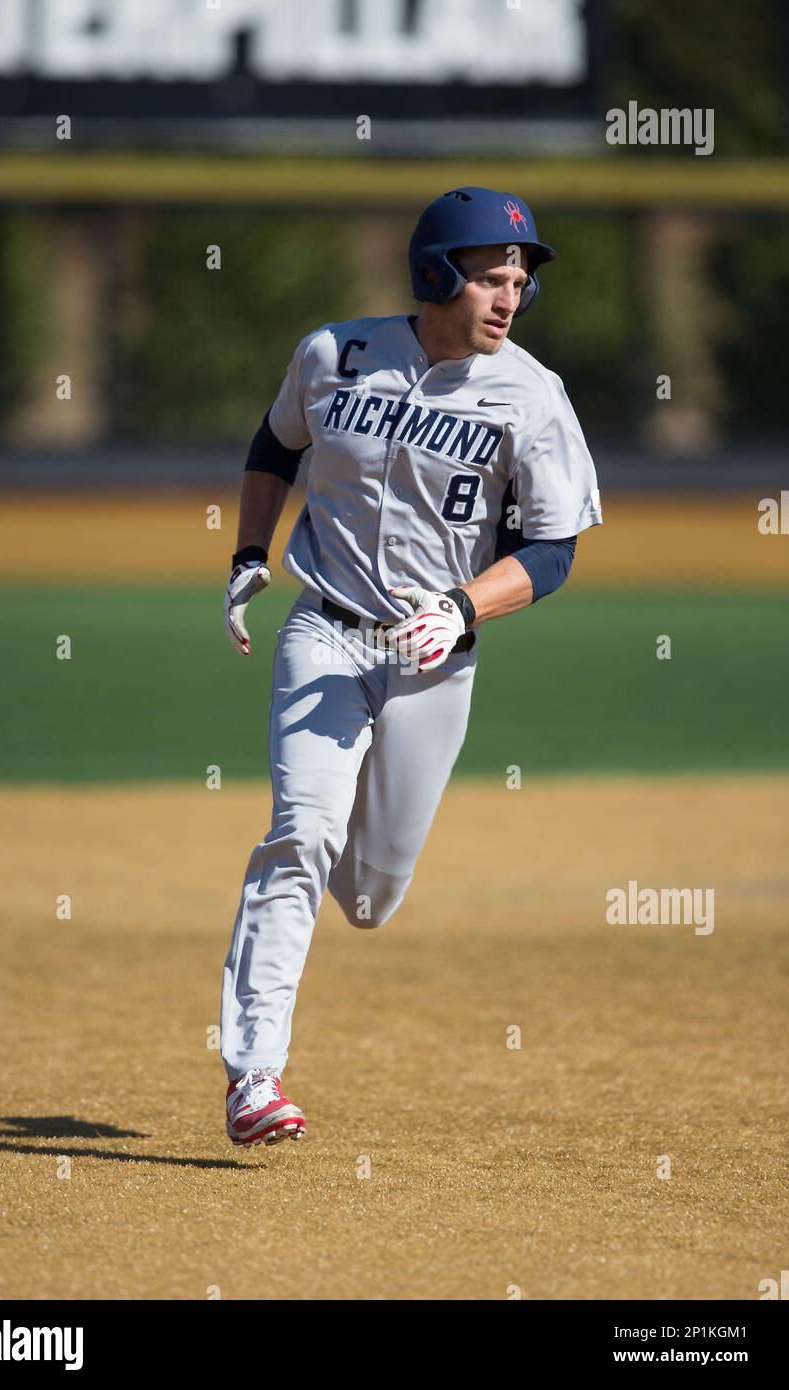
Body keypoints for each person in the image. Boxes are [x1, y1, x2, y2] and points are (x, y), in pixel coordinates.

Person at [220, 187, 602, 1148]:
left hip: (433, 661)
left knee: (372, 896)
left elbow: (554, 550)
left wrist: (463, 607)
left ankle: (355, 852)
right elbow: (277, 440)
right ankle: (255, 1074)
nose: (509, 297)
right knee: (299, 836)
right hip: (327, 631)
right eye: (490, 277)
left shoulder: (533, 395)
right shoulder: (335, 354)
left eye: (519, 281)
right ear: (436, 274)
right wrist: (250, 553)